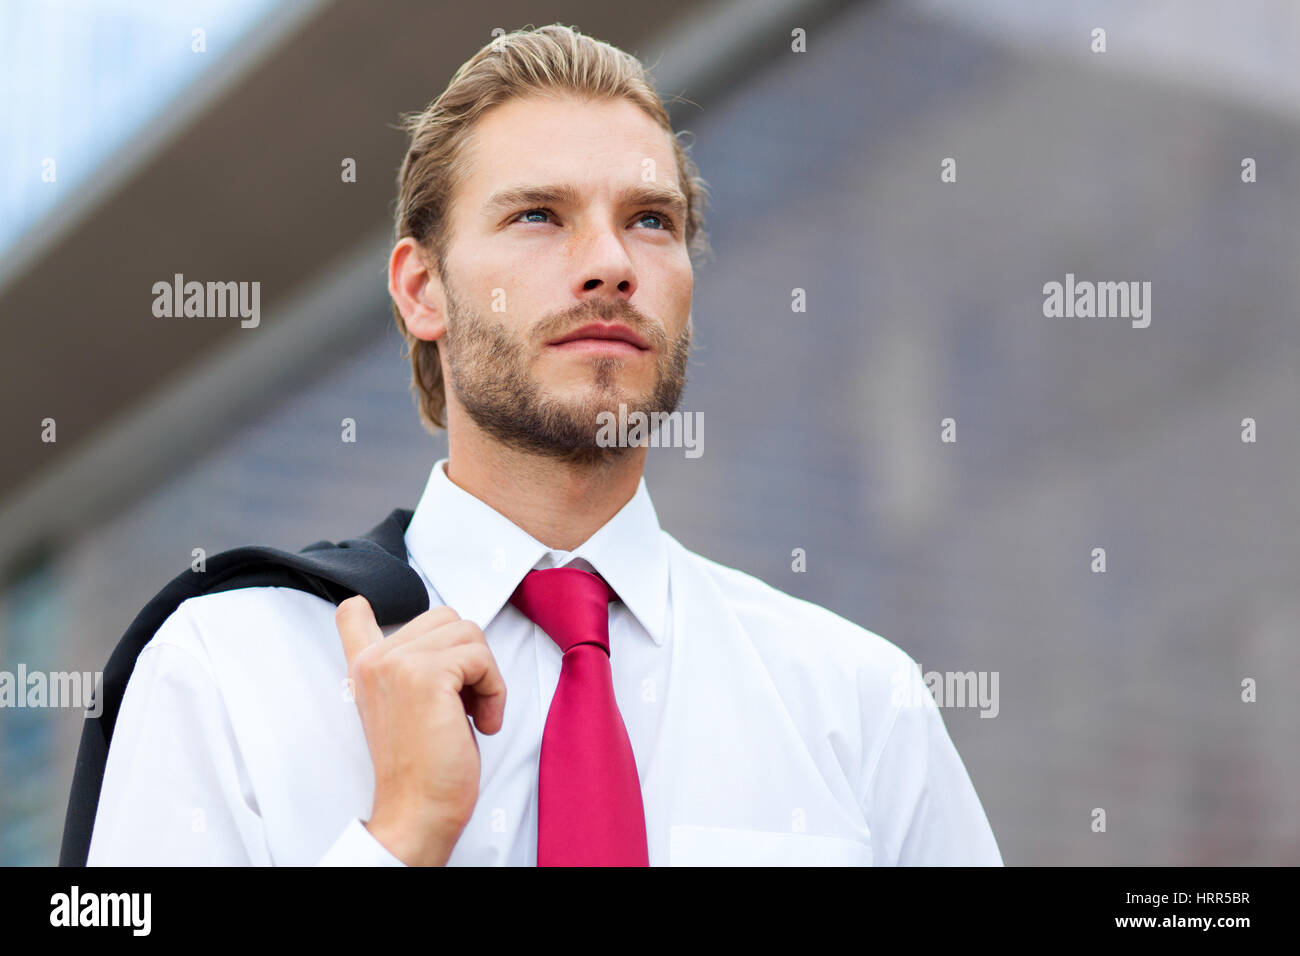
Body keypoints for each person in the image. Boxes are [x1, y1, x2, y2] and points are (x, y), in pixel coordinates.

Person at [86, 24, 1002, 867]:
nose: (612, 263)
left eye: (651, 220)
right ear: (422, 290)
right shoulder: (228, 670)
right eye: (538, 216)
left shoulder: (860, 705)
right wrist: (397, 837)